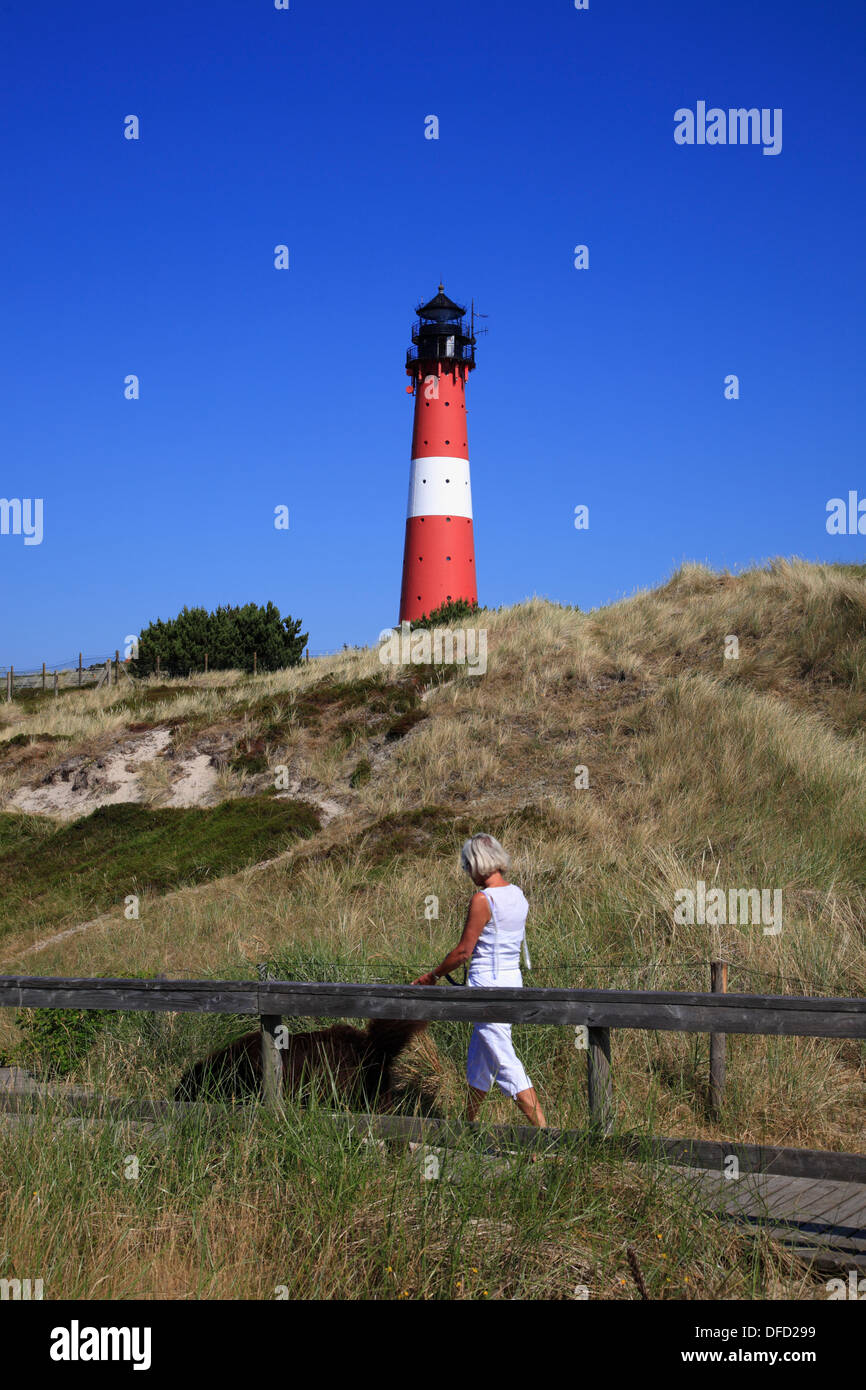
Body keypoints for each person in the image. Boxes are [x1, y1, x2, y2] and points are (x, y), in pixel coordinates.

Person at [412, 833, 546, 1127]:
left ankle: (545, 1135)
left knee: (505, 1060)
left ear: (477, 863)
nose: (467, 873)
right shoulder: (518, 895)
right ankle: (467, 1126)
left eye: (467, 866)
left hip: (486, 989)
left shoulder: (483, 899)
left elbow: (463, 952)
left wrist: (432, 975)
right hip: (511, 982)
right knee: (479, 1061)